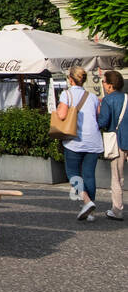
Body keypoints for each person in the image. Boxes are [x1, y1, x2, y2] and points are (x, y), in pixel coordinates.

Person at [56, 66, 101, 221]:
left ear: (70, 78)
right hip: (94, 140)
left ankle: (87, 202)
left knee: (72, 173)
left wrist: (56, 110)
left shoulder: (66, 94)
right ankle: (90, 212)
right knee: (89, 175)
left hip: (74, 141)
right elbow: (98, 116)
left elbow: (61, 116)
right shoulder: (93, 96)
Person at [96, 68, 128, 220]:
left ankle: (117, 211)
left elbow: (103, 122)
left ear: (110, 85)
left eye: (103, 82)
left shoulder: (108, 100)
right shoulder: (127, 98)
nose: (102, 85)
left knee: (117, 178)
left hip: (118, 143)